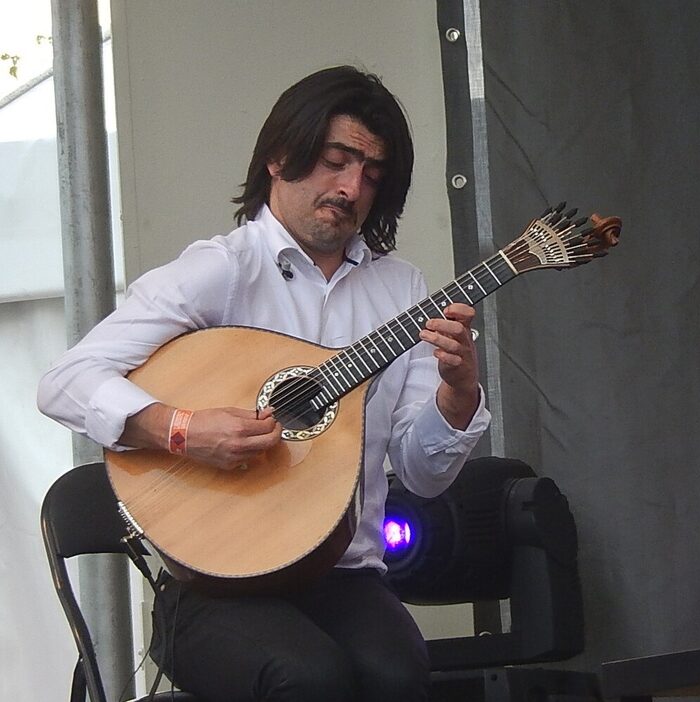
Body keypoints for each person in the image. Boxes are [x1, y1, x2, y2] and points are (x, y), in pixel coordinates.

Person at [37, 65, 490, 701]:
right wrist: (182, 430)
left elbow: (422, 475)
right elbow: (65, 382)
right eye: (337, 160)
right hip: (214, 585)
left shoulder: (403, 293)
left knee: (397, 677)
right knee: (307, 678)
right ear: (281, 157)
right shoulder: (222, 271)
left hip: (345, 575)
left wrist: (457, 393)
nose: (352, 186)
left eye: (373, 174)